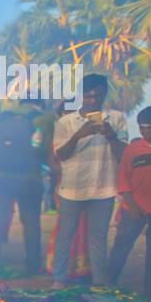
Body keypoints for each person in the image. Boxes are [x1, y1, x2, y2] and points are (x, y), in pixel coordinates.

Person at [50, 74, 125, 287]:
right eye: (88, 96)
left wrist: (111, 135)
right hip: (72, 188)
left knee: (98, 239)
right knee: (65, 236)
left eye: (97, 95)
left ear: (104, 94)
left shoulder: (116, 119)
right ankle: (59, 280)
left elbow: (123, 154)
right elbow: (60, 155)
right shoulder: (66, 122)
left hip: (103, 188)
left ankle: (100, 283)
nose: (93, 100)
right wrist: (78, 135)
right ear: (81, 95)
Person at [104, 105, 151, 296]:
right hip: (134, 208)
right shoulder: (134, 148)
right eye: (142, 128)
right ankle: (108, 283)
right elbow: (123, 178)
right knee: (121, 246)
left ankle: (150, 290)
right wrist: (130, 205)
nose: (145, 131)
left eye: (150, 127)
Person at [0, 100, 44, 276]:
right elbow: (43, 150)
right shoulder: (40, 119)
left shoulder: (1, 118)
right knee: (31, 222)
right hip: (29, 178)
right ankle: (33, 264)